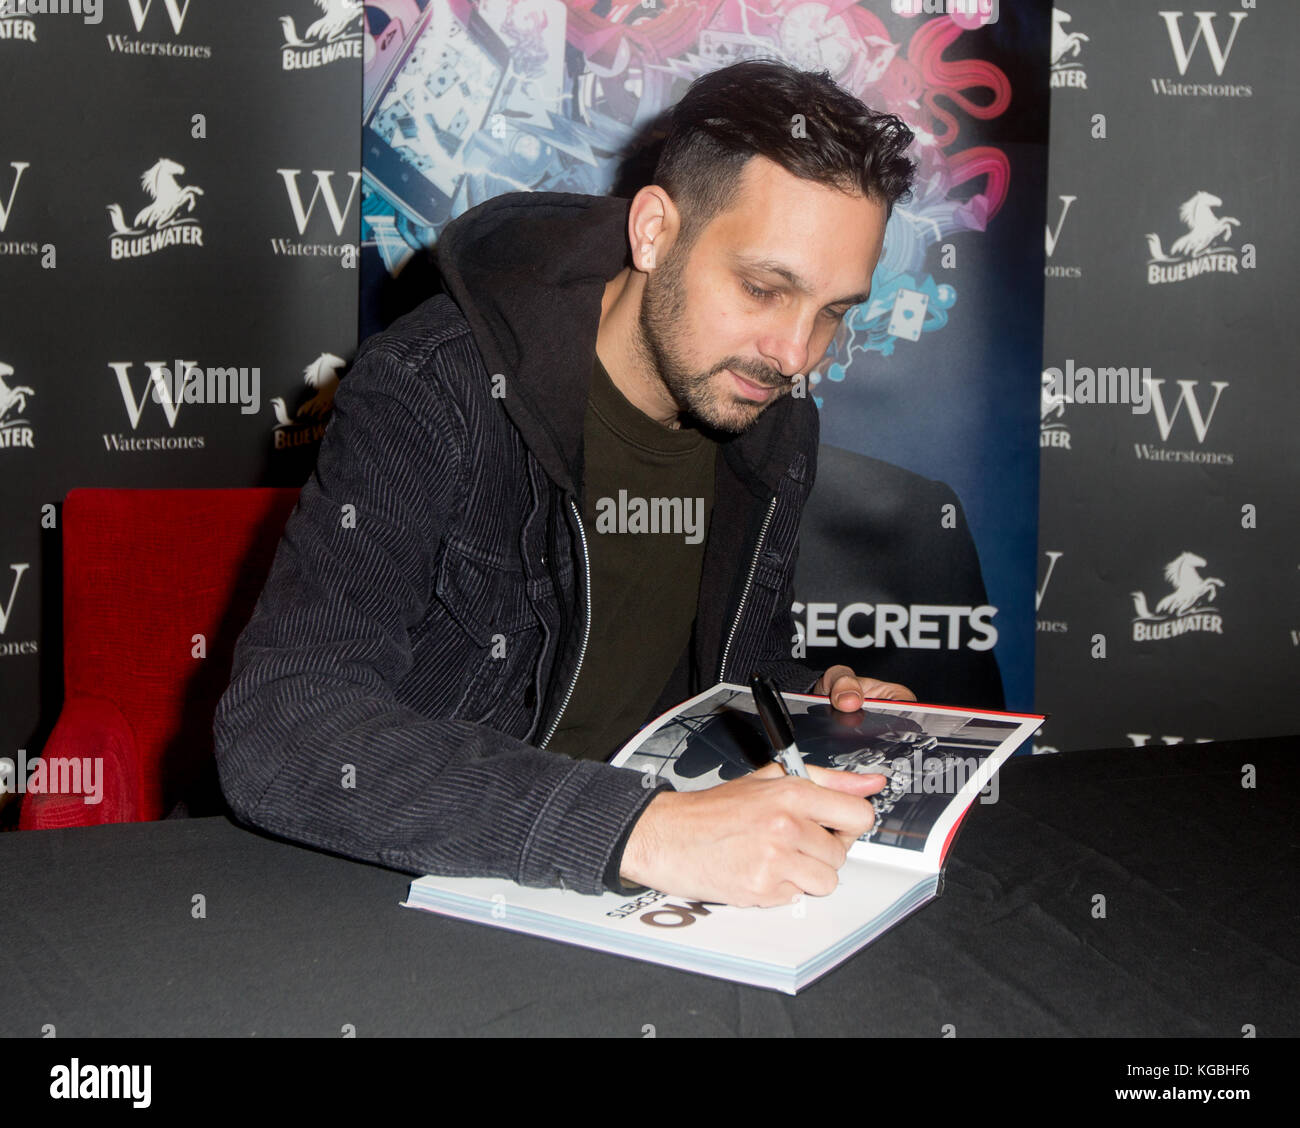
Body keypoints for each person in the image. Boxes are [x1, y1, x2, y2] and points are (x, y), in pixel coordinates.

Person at [214, 59, 919, 909]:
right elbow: (281, 728)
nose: (797, 353)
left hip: (627, 899)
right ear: (654, 231)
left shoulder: (770, 423)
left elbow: (727, 664)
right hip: (401, 887)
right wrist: (641, 831)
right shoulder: (439, 386)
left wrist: (815, 705)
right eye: (765, 288)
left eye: (835, 310)